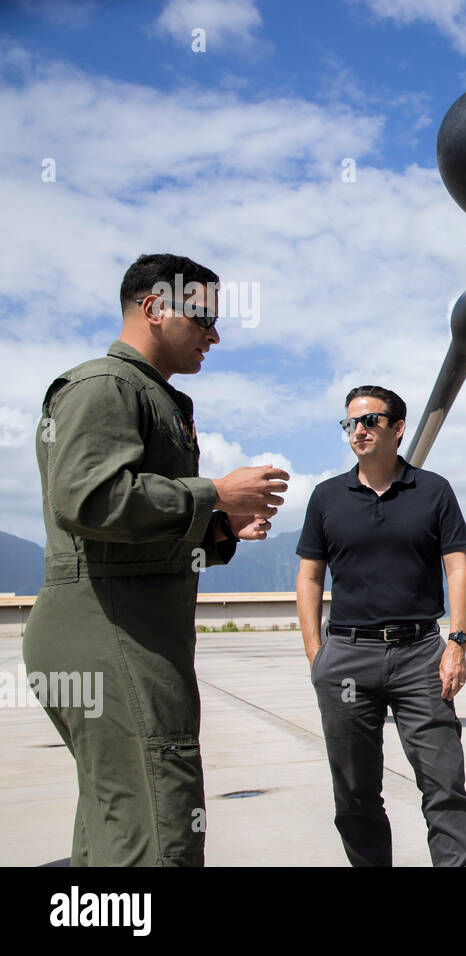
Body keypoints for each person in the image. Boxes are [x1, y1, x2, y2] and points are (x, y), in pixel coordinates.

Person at [23, 253, 290, 866]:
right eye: (202, 318)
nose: (214, 335)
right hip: (112, 629)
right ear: (153, 308)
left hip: (129, 622)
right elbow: (86, 500)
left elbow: (130, 528)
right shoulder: (104, 386)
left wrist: (219, 528)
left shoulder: (152, 395)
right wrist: (213, 493)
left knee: (117, 822)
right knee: (157, 826)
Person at [295, 385, 466, 866]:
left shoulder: (433, 490)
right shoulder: (326, 497)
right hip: (347, 657)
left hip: (421, 655)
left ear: (398, 429)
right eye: (350, 423)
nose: (358, 430)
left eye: (370, 421)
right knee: (355, 792)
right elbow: (310, 576)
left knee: (444, 784)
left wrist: (456, 643)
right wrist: (318, 655)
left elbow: (456, 568)